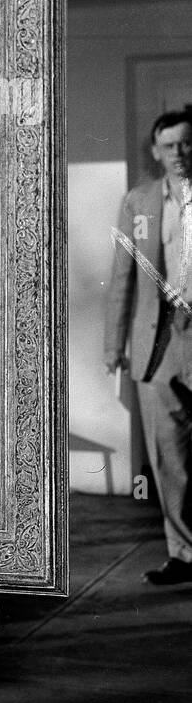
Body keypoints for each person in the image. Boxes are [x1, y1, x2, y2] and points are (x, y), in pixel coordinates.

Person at [105, 108, 192, 586]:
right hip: (159, 345)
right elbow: (122, 278)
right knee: (169, 457)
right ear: (156, 151)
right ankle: (183, 554)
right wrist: (112, 345)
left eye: (186, 143)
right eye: (169, 145)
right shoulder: (137, 202)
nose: (178, 153)